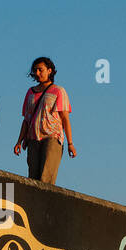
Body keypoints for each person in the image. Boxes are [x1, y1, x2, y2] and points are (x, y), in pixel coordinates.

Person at [13, 56, 74, 184]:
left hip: (52, 136)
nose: (37, 73)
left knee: (46, 176)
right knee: (33, 178)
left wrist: (70, 143)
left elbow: (65, 119)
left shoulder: (58, 91)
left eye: (41, 70)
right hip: (33, 138)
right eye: (35, 70)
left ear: (49, 71)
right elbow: (26, 120)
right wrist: (19, 141)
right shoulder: (30, 92)